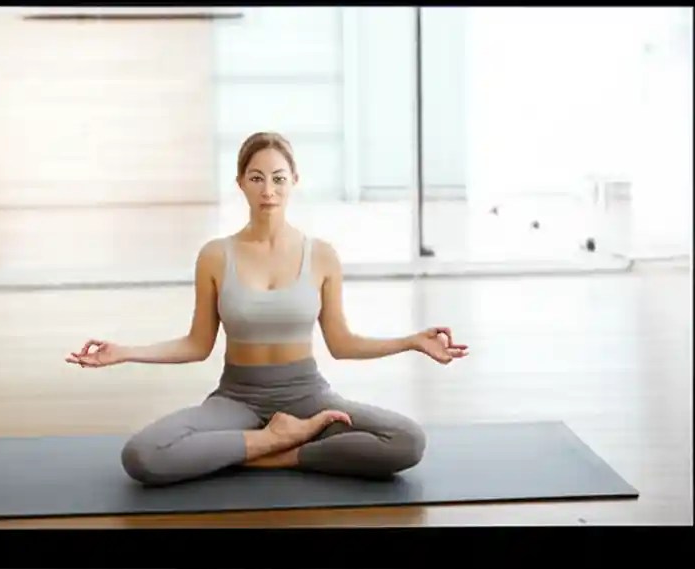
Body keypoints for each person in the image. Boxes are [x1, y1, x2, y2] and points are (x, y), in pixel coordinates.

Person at [66, 131, 469, 486]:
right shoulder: (215, 255)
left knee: (407, 441)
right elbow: (197, 344)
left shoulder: (322, 255)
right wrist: (125, 352)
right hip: (236, 400)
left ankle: (280, 453)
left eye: (278, 179)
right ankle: (273, 439)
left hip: (307, 398)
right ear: (240, 183)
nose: (268, 191)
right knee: (142, 455)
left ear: (294, 181)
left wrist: (411, 341)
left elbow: (343, 343)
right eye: (256, 179)